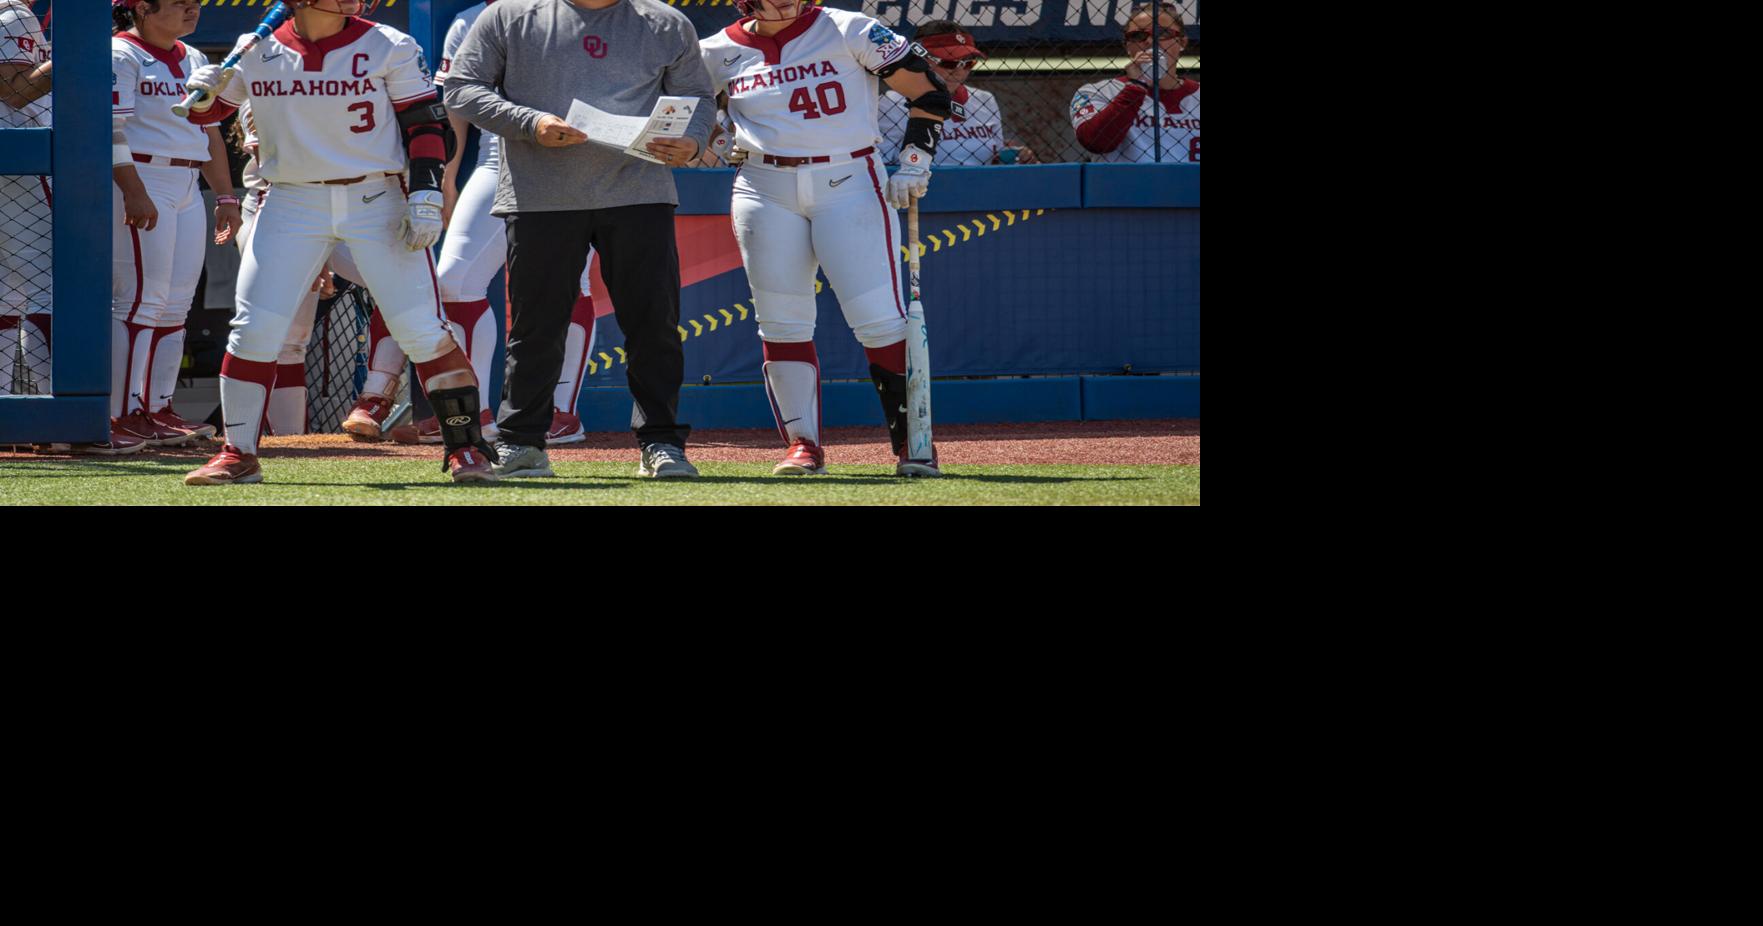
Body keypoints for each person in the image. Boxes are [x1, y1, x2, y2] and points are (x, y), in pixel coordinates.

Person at [179, 0, 497, 484]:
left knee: (419, 328)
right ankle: (237, 452)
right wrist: (204, 93)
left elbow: (425, 124)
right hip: (289, 199)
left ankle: (466, 448)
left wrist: (427, 191)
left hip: (376, 196)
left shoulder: (388, 44)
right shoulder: (256, 49)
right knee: (254, 329)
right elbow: (210, 113)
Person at [444, 0, 714, 479]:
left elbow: (697, 97)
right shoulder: (508, 15)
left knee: (654, 324)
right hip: (539, 195)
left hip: (640, 192)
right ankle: (522, 443)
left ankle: (663, 443)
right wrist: (531, 123)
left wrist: (692, 141)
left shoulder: (665, 21)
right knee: (535, 328)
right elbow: (462, 90)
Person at [699, 0, 950, 476]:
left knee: (879, 320)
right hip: (761, 186)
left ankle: (913, 444)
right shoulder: (714, 51)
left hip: (850, 179)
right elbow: (689, 117)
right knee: (781, 322)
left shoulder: (849, 28)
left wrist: (916, 157)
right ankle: (802, 445)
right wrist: (712, 137)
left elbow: (928, 89)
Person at [377, 0, 598, 448]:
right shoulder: (471, 18)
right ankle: (468, 413)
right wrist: (448, 177)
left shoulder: (587, 10)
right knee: (454, 281)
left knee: (569, 284)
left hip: (578, 162)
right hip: (498, 160)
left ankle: (560, 412)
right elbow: (454, 103)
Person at [109, 0, 239, 452]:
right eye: (180, 1)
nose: (192, 8)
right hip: (141, 175)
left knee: (174, 305)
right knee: (140, 300)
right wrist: (133, 190)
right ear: (142, 7)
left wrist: (225, 195)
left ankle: (155, 407)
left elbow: (210, 131)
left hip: (186, 179)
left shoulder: (193, 56)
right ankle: (119, 413)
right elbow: (111, 130)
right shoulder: (120, 52)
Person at [0, 0, 58, 418]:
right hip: (22, 160)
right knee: (46, 288)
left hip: (13, 159)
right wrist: (78, 51)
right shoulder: (12, 14)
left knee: (7, 297)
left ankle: (11, 407)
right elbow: (15, 92)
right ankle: (54, 414)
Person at [878, 21, 1034, 167]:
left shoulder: (984, 99)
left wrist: (1016, 156)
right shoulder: (891, 103)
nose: (959, 72)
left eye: (968, 63)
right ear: (920, 58)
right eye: (949, 63)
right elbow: (879, 163)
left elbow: (994, 156)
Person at [1071, 3, 1199, 164]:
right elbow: (1095, 142)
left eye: (1163, 33)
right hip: (1128, 186)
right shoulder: (1099, 92)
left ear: (1182, 42)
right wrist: (1135, 86)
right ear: (1127, 46)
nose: (1151, 41)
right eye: (1138, 35)